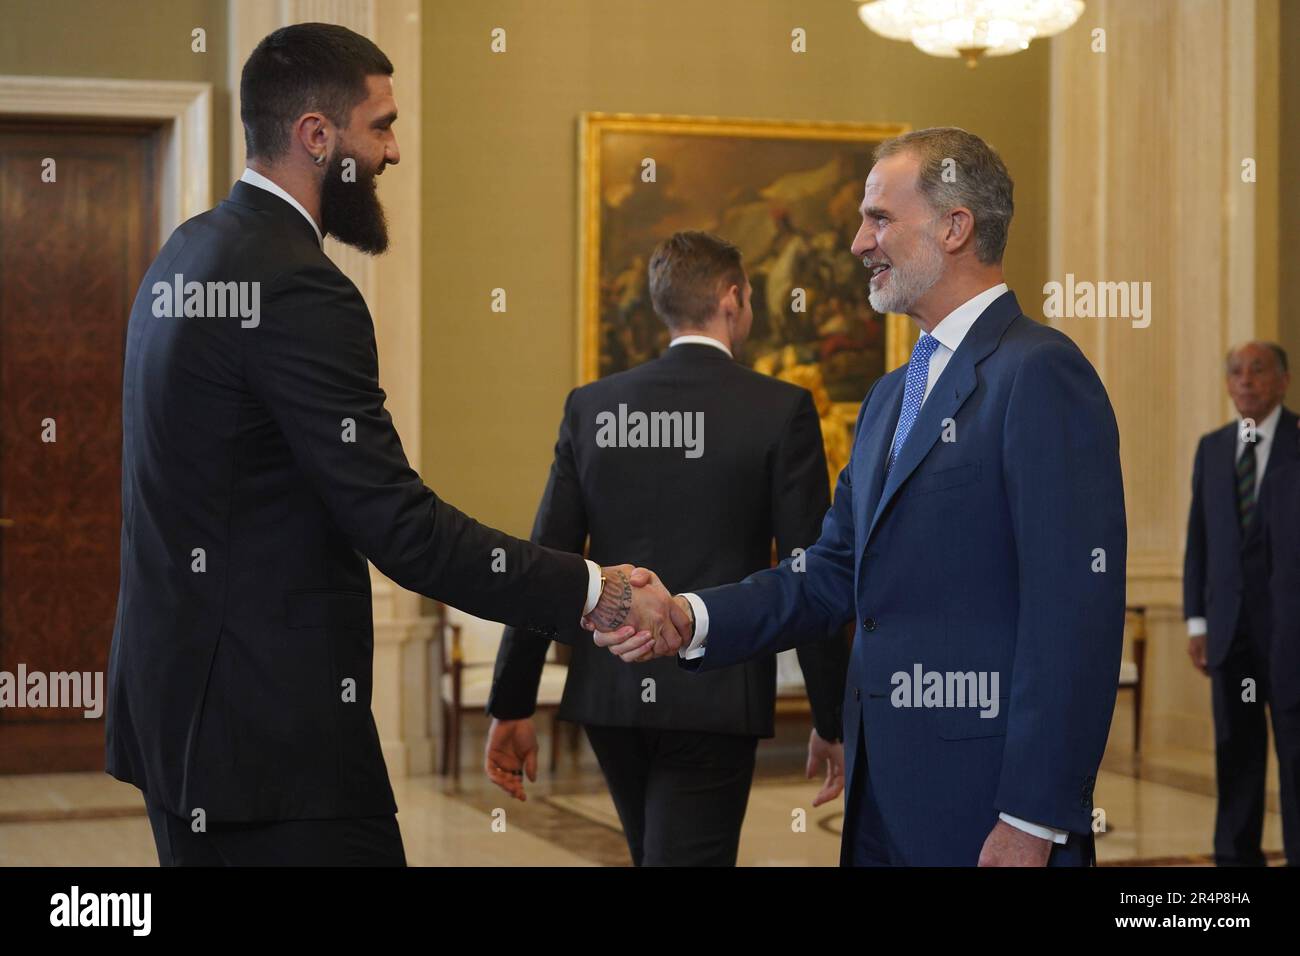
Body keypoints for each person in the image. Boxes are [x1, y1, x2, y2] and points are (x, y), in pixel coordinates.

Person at [106, 22, 686, 867]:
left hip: (181, 718)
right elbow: (397, 524)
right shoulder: (299, 285)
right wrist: (595, 592)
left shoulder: (186, 252)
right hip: (270, 745)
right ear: (317, 135)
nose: (395, 152)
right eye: (380, 126)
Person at [593, 127, 1127, 867]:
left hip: (984, 809)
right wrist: (689, 616)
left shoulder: (1038, 374)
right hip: (880, 801)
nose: (855, 243)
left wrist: (1035, 816)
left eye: (878, 218)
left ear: (955, 225)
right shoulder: (887, 398)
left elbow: (1073, 611)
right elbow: (832, 568)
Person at [485, 231, 850, 865]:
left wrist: (512, 702)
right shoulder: (780, 409)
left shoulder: (593, 407)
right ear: (733, 298)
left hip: (611, 688)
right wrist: (834, 718)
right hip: (718, 687)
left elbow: (549, 558)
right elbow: (807, 571)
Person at [1185, 342, 1298, 864]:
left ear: (1283, 380)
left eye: (1258, 370)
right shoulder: (1212, 449)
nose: (1246, 380)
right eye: (1236, 372)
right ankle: (1234, 864)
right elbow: (1200, 543)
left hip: (1290, 636)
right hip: (1231, 636)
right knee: (1237, 755)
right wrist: (1197, 622)